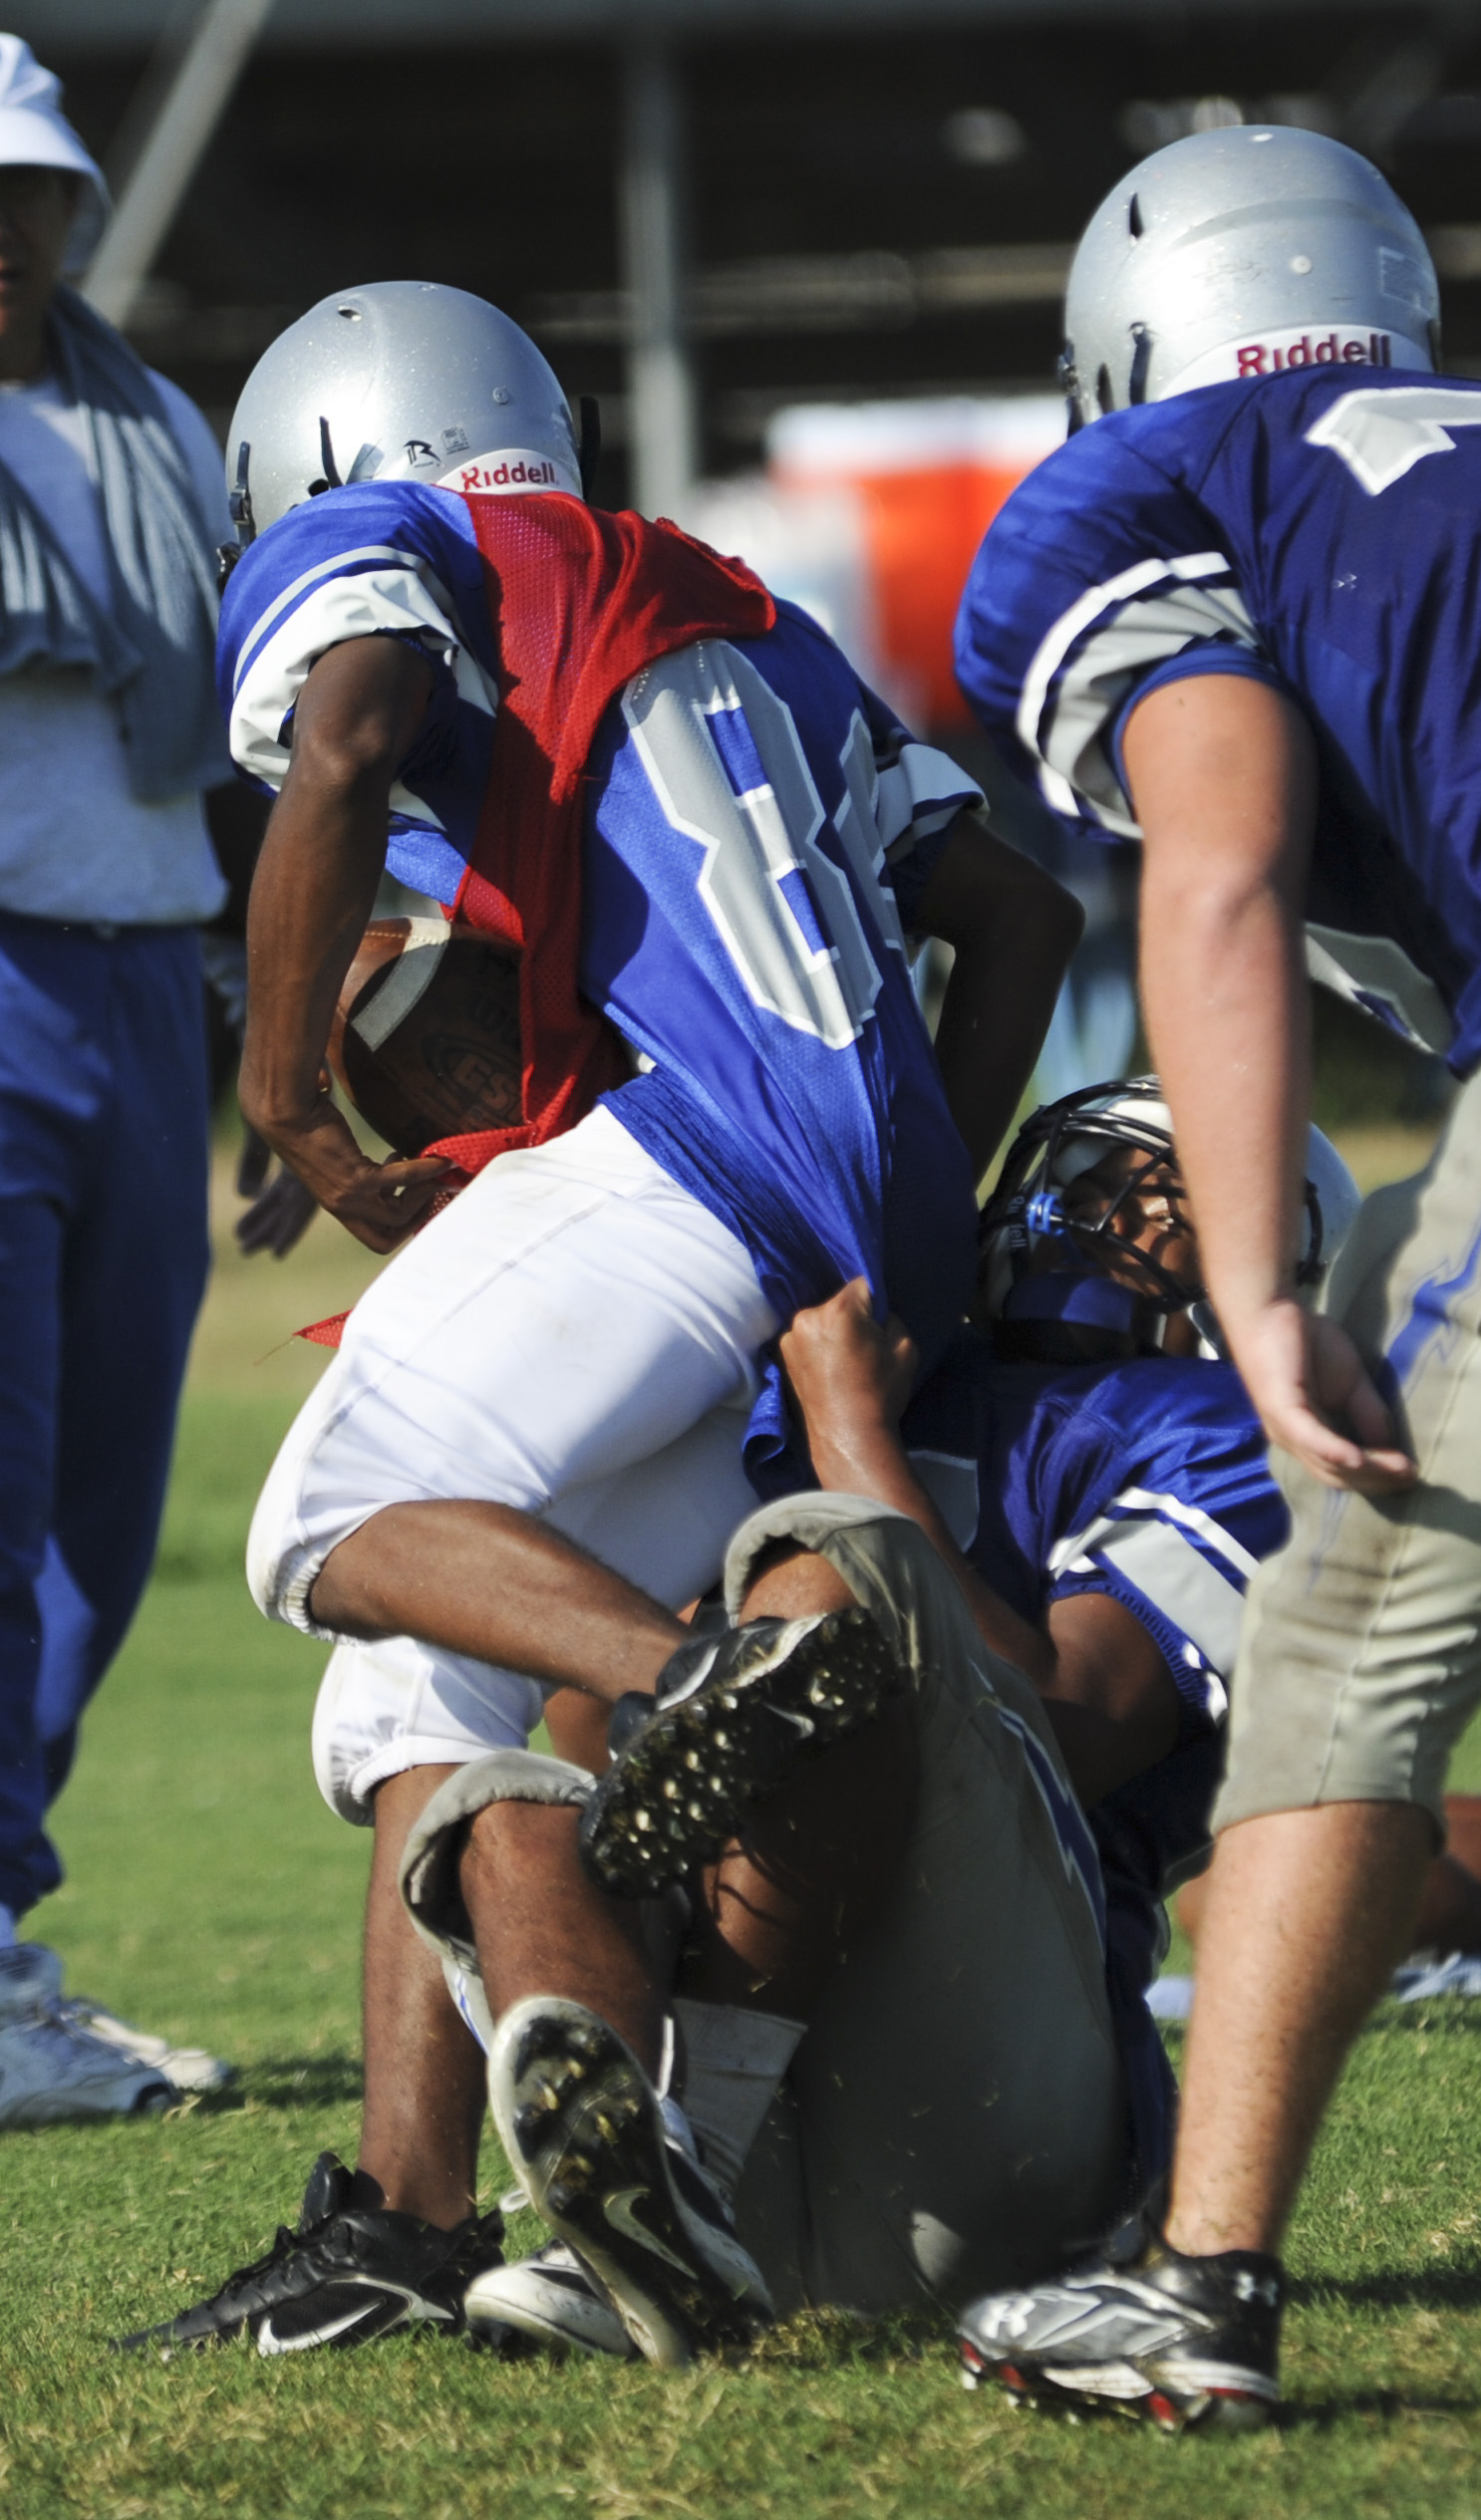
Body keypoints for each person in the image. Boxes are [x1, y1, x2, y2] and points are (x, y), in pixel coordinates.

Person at [123, 273, 1079, 2344]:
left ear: (317, 454)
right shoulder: (733, 605)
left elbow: (351, 737)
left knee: (326, 1511)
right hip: (866, 1208)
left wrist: (284, 1086)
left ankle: (678, 1689)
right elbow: (1020, 911)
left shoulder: (397, 539)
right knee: (412, 1689)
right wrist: (902, 1197)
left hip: (711, 1159)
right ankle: (495, 2205)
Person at [956, 119, 1481, 2424]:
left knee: (1339, 1638)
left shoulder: (1164, 479)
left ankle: (1199, 2291)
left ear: (1130, 344)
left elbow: (1226, 858)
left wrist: (1267, 1295)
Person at [0, 35, 306, 2126]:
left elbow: (246, 739)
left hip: (135, 988)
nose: (13, 227)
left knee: (98, 1515)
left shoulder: (147, 422)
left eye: (35, 191)